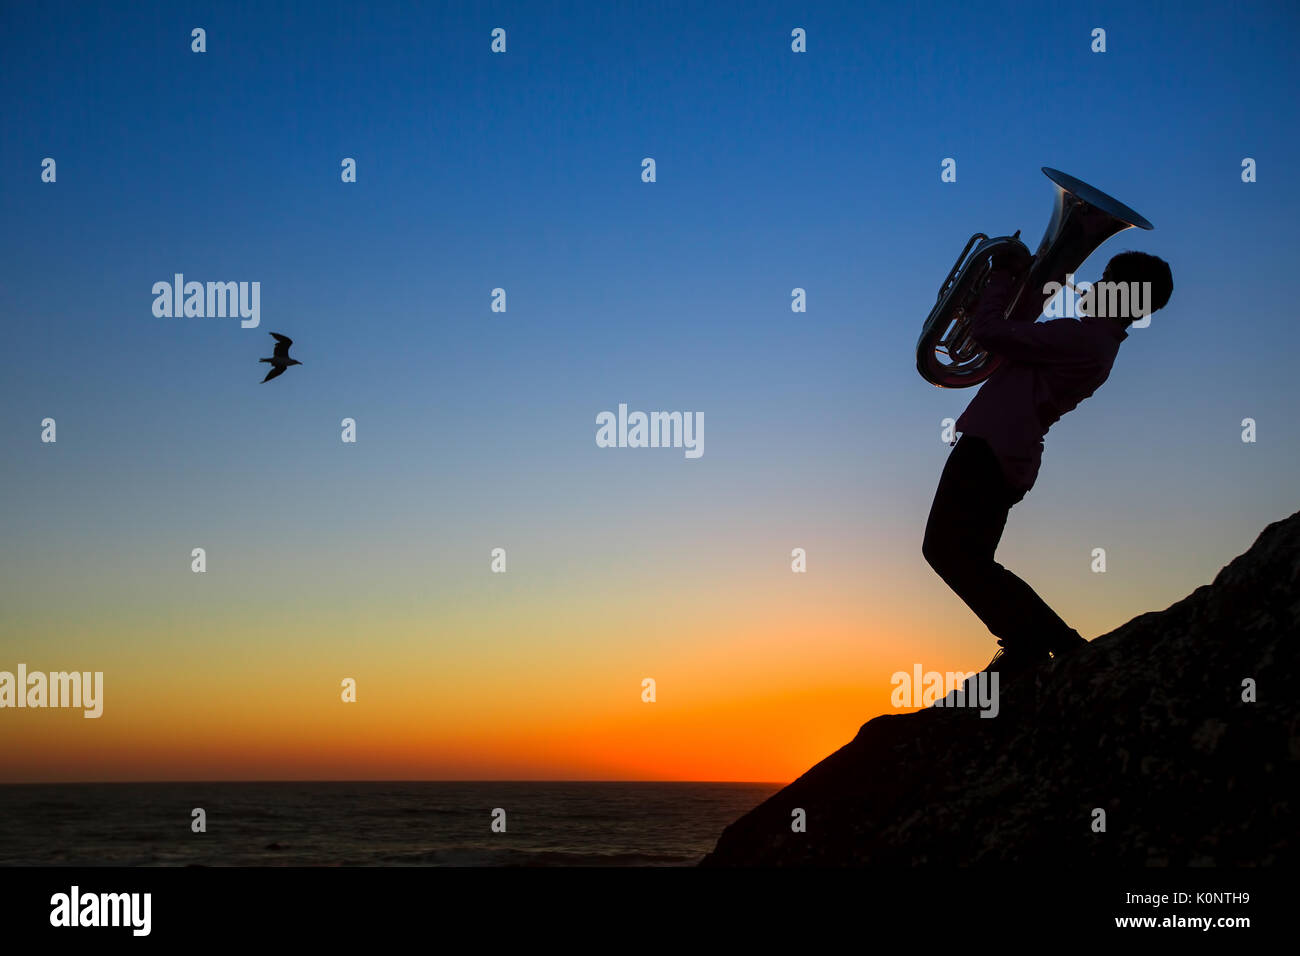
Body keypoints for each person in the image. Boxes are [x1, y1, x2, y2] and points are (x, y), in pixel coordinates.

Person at [922, 249, 1174, 680]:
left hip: (992, 448)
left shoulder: (1084, 340)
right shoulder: (1087, 339)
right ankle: (1043, 643)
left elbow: (989, 332)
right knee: (968, 556)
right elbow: (1008, 337)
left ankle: (1044, 643)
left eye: (1107, 278)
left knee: (951, 552)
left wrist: (1000, 276)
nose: (1094, 285)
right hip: (1002, 449)